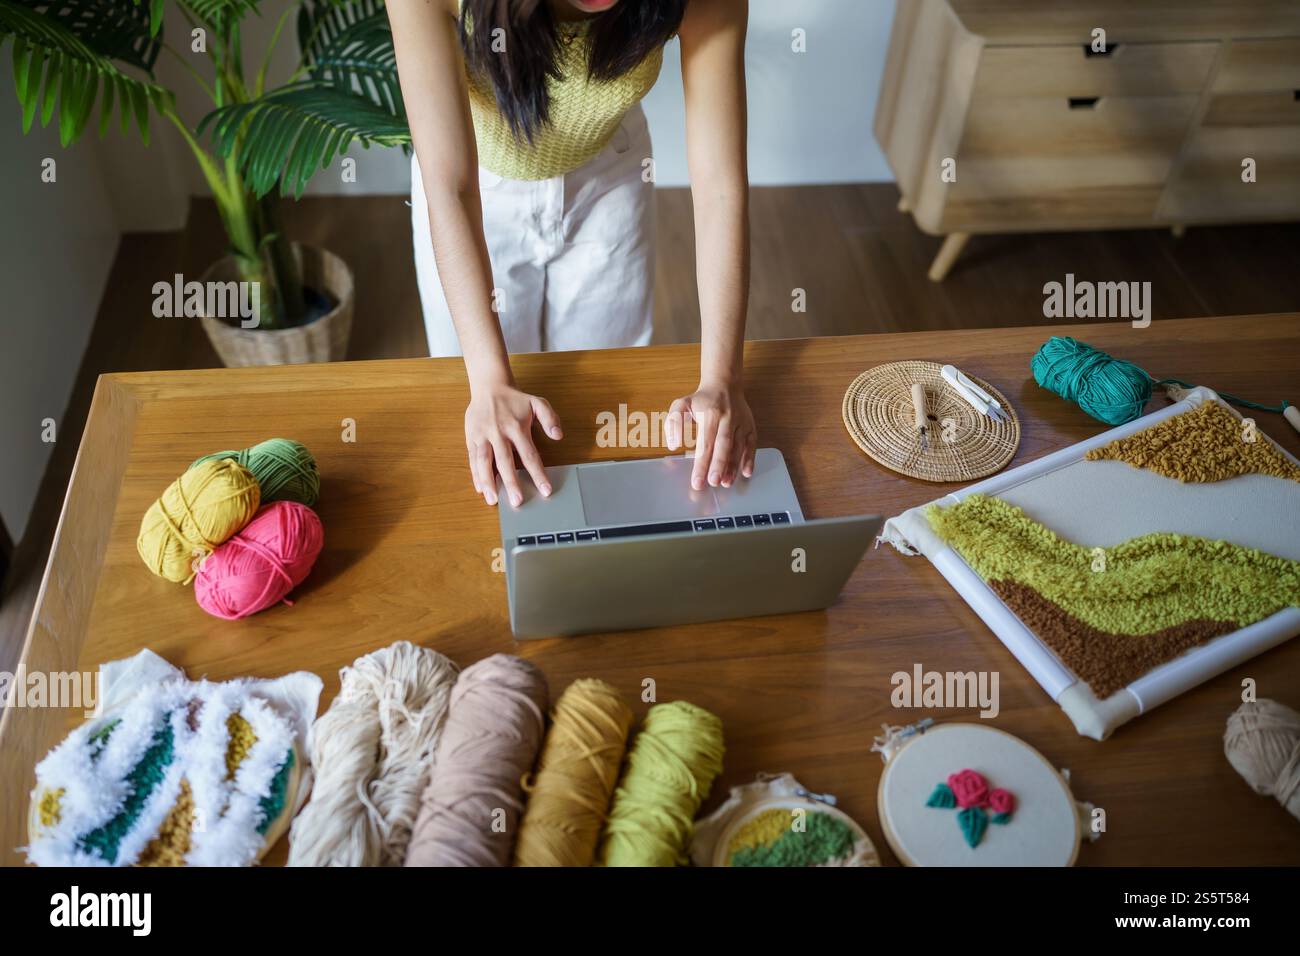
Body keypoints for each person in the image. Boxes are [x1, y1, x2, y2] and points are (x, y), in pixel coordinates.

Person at [389, 0, 754, 507]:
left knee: (606, 404)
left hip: (609, 171)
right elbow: (451, 187)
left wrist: (722, 379)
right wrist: (491, 381)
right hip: (475, 184)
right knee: (485, 420)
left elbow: (720, 188)